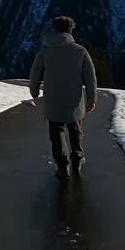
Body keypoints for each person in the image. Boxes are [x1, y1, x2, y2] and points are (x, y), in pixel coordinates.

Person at [29, 16, 97, 179]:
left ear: (55, 29)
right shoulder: (80, 51)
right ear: (70, 30)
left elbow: (35, 72)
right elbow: (90, 77)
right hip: (74, 99)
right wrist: (91, 99)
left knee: (56, 132)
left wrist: (34, 90)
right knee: (75, 130)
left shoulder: (45, 50)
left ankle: (62, 166)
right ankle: (77, 158)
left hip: (53, 99)